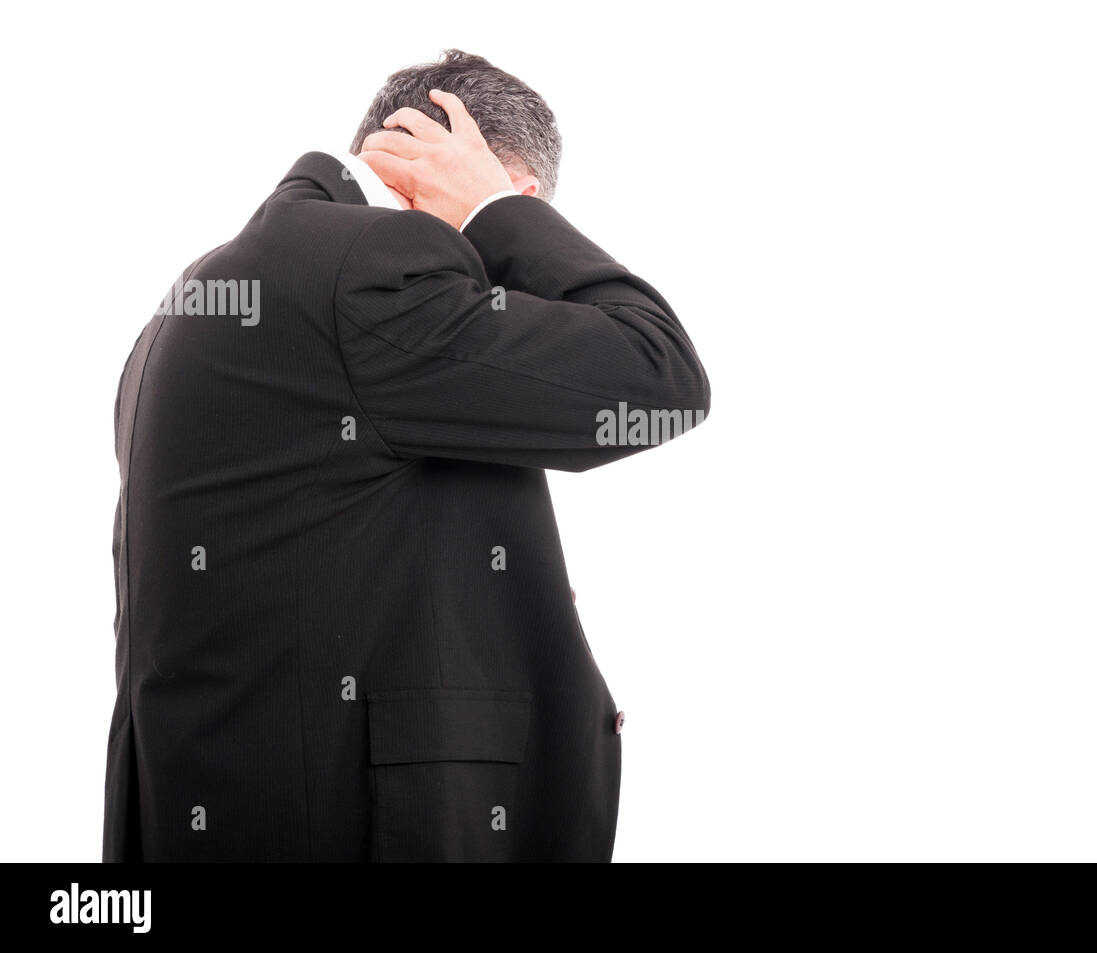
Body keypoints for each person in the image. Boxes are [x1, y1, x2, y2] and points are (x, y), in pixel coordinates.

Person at [104, 50, 709, 862]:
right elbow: (658, 376)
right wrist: (495, 211)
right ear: (502, 180)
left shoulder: (196, 297)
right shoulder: (370, 272)